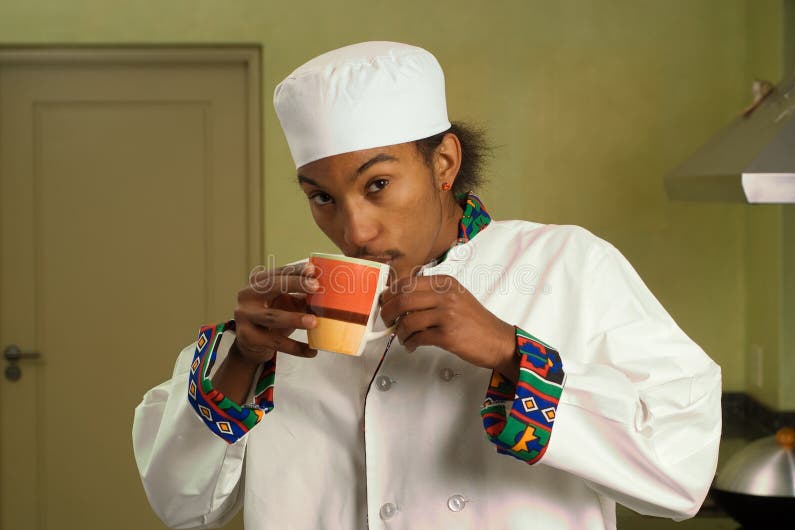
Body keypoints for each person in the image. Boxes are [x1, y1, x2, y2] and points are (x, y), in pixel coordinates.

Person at [133, 41, 722, 530]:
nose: (354, 229)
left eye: (379, 184)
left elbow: (682, 472)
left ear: (443, 163)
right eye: (322, 197)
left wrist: (509, 351)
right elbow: (183, 504)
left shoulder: (566, 265)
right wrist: (244, 356)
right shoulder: (288, 309)